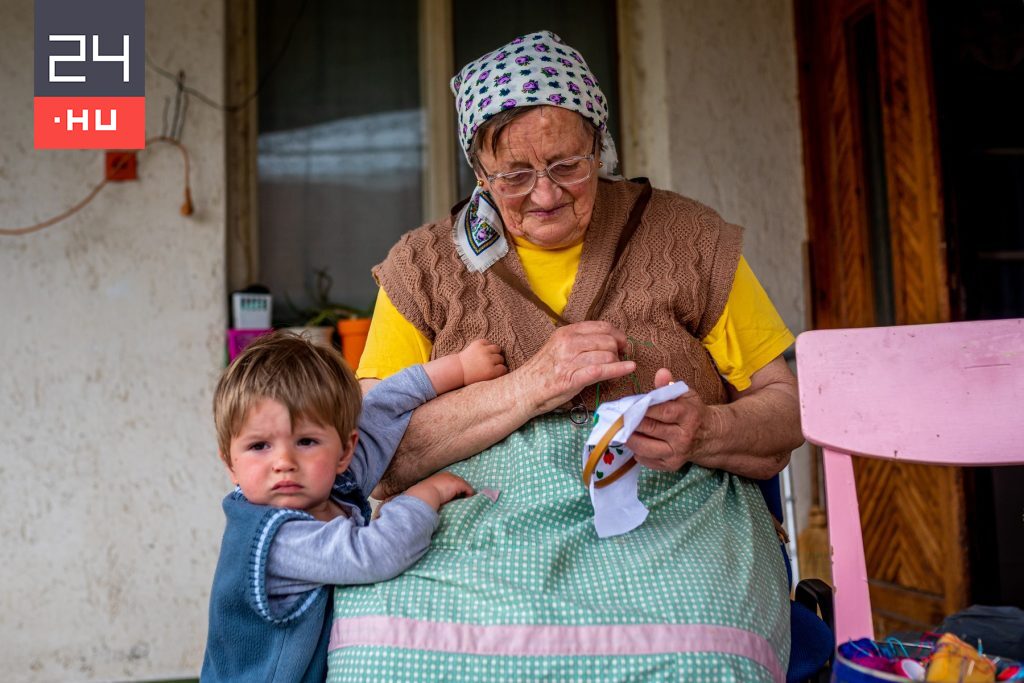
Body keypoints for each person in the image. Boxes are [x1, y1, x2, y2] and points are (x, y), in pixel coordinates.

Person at [328, 30, 804, 682]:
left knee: (703, 659)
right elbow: (369, 460)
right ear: (480, 174)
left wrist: (708, 429)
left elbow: (787, 411)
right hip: (477, 533)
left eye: (567, 165)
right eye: (515, 175)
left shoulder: (687, 237)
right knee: (378, 657)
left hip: (672, 519)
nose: (545, 193)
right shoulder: (425, 266)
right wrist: (530, 384)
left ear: (599, 147)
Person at [200, 331, 507, 682]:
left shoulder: (327, 482)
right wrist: (425, 495)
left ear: (344, 451)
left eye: (306, 441)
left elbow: (380, 409)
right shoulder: (278, 541)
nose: (284, 461)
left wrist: (458, 369)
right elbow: (375, 554)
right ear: (230, 465)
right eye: (259, 446)